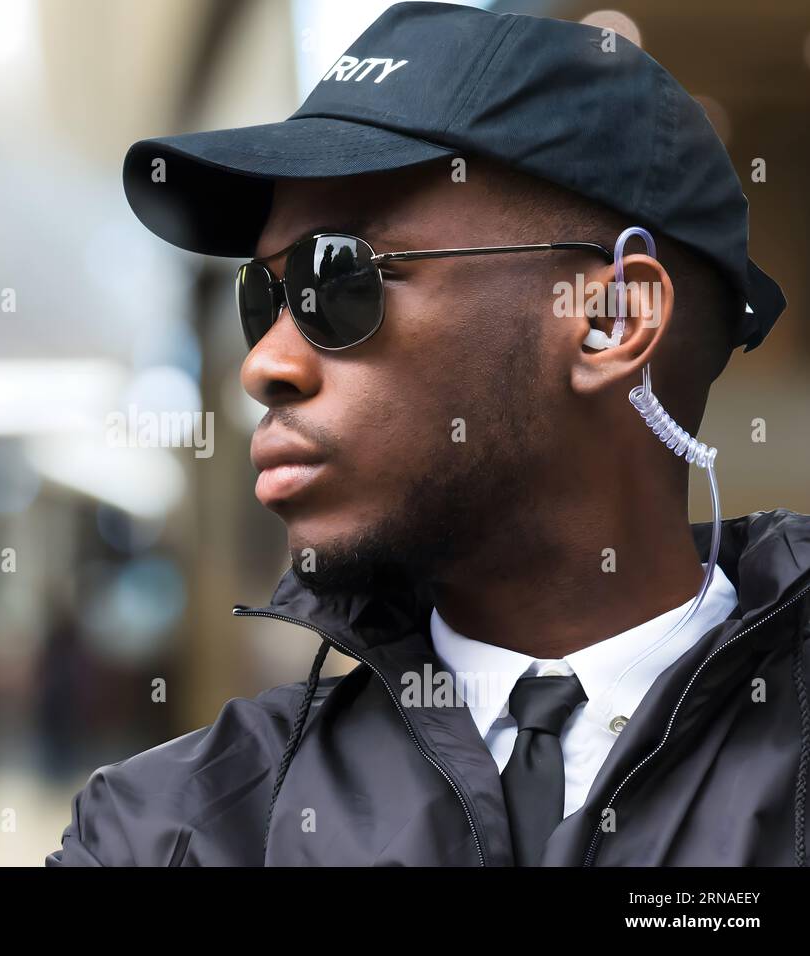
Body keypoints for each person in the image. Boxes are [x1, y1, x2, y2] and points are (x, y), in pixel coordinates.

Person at [47, 2, 806, 866]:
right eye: (263, 297)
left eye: (340, 278)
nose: (265, 363)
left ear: (609, 318)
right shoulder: (172, 830)